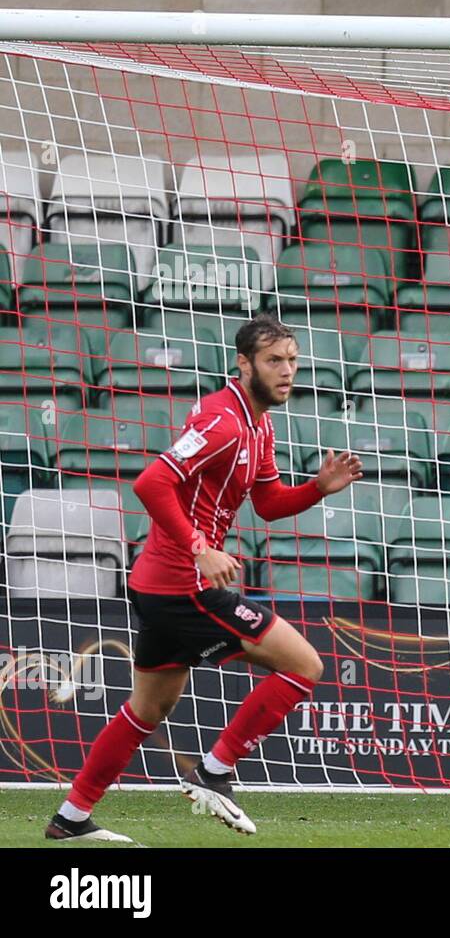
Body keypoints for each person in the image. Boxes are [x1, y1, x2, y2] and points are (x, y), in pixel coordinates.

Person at [45, 314, 364, 841]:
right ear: (244, 364)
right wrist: (199, 549)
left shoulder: (258, 425)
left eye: (292, 360)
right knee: (303, 664)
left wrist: (317, 488)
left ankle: (71, 818)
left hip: (159, 585)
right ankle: (215, 770)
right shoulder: (222, 422)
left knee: (148, 708)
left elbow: (266, 504)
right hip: (182, 586)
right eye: (274, 361)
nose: (287, 371)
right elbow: (150, 483)